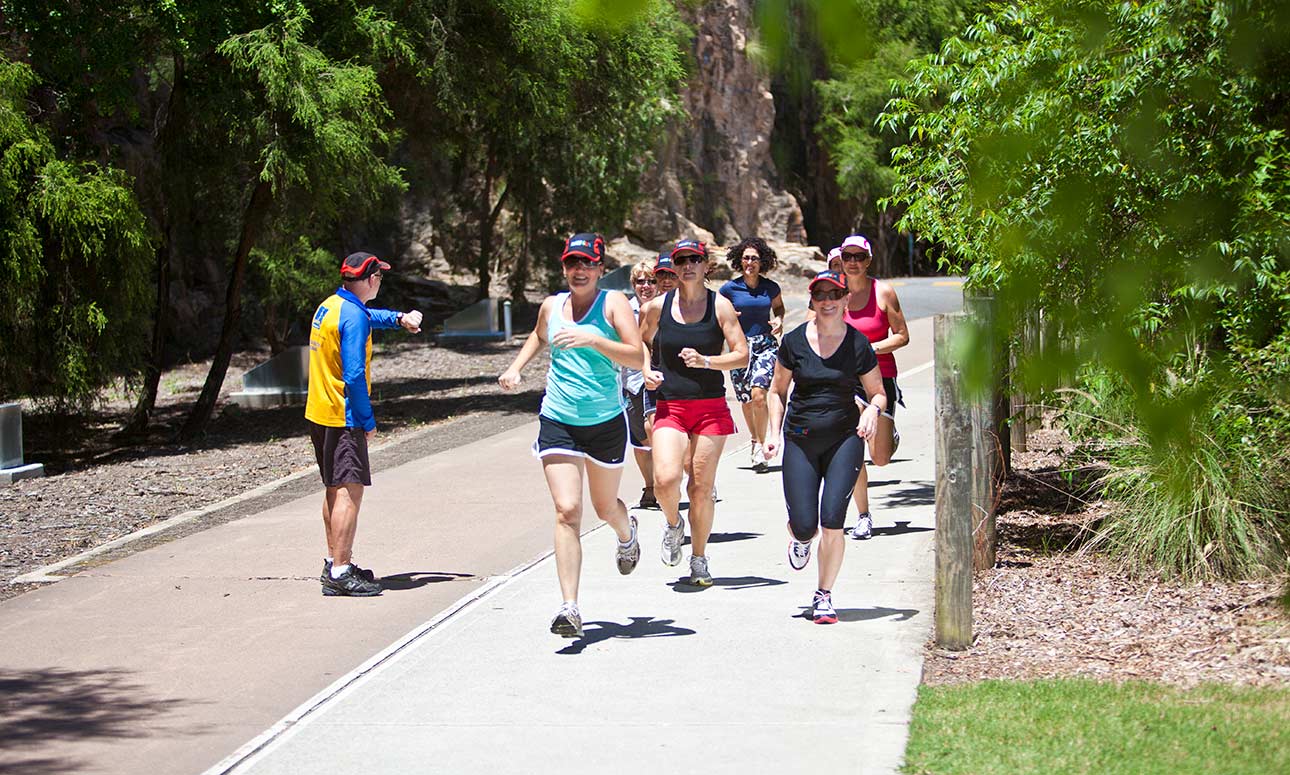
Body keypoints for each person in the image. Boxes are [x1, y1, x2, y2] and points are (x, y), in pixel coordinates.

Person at [498, 233, 644, 638]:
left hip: (604, 422)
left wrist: (594, 339)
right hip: (558, 418)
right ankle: (570, 607)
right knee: (567, 511)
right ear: (564, 268)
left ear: (600, 268)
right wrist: (517, 367)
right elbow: (539, 336)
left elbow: (636, 356)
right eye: (571, 263)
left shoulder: (613, 303)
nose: (578, 271)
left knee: (604, 507)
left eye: (587, 264)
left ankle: (626, 531)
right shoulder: (551, 306)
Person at [763, 270, 888, 624]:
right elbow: (777, 390)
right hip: (801, 440)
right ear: (812, 302)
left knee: (833, 521)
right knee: (806, 525)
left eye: (835, 295)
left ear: (846, 300)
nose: (828, 302)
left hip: (845, 438)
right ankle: (800, 538)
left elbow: (877, 392)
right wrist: (773, 433)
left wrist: (873, 412)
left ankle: (824, 595)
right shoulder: (794, 343)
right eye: (821, 296)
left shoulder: (858, 344)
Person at [305, 251, 424, 597]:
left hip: (319, 411)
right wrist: (367, 420)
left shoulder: (331, 306)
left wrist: (399, 319)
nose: (380, 283)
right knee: (349, 492)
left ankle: (333, 562)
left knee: (333, 488)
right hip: (345, 417)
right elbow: (355, 374)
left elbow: (365, 316)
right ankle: (341, 573)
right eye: (380, 277)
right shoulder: (353, 317)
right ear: (371, 279)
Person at [640, 239, 748, 587]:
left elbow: (742, 354)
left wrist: (707, 362)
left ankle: (699, 559)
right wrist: (646, 370)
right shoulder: (656, 307)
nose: (687, 265)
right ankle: (674, 525)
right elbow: (640, 343)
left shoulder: (721, 307)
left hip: (710, 407)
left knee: (701, 487)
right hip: (670, 405)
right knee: (665, 480)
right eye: (681, 260)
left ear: (706, 266)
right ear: (674, 266)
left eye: (694, 259)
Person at [837, 234, 909, 540]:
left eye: (858, 257)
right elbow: (815, 329)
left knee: (879, 458)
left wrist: (872, 348)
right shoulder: (832, 292)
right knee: (853, 447)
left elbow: (902, 335)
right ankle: (863, 516)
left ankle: (888, 434)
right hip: (844, 381)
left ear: (868, 260)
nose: (852, 262)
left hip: (880, 377)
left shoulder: (884, 292)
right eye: (847, 256)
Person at [720, 237, 785, 472]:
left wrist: (778, 319)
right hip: (739, 347)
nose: (750, 262)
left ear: (762, 262)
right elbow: (717, 311)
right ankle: (755, 440)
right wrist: (728, 315)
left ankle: (762, 443)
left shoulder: (771, 287)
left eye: (755, 259)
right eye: (746, 258)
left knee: (759, 394)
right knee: (746, 401)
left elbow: (778, 306)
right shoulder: (728, 289)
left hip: (765, 345)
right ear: (740, 260)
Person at [625, 259, 659, 508]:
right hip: (630, 381)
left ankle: (662, 483)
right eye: (640, 281)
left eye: (651, 281)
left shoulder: (666, 308)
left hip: (660, 380)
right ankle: (650, 484)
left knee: (656, 431)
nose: (646, 286)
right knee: (639, 439)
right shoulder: (623, 311)